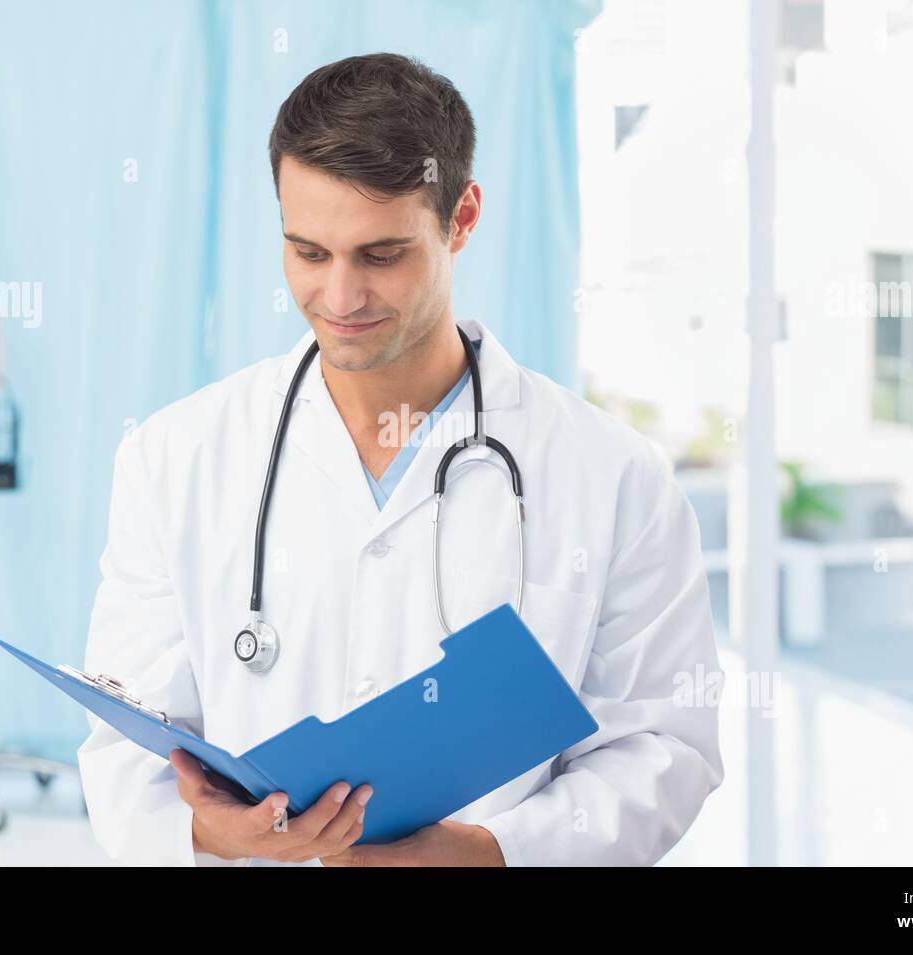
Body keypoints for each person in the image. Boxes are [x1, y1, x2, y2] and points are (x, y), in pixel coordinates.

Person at [77, 52, 724, 867]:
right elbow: (125, 744)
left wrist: (494, 853)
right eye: (309, 254)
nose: (340, 298)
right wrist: (204, 832)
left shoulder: (614, 478)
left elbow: (667, 745)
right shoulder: (173, 459)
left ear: (462, 218)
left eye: (381, 255)